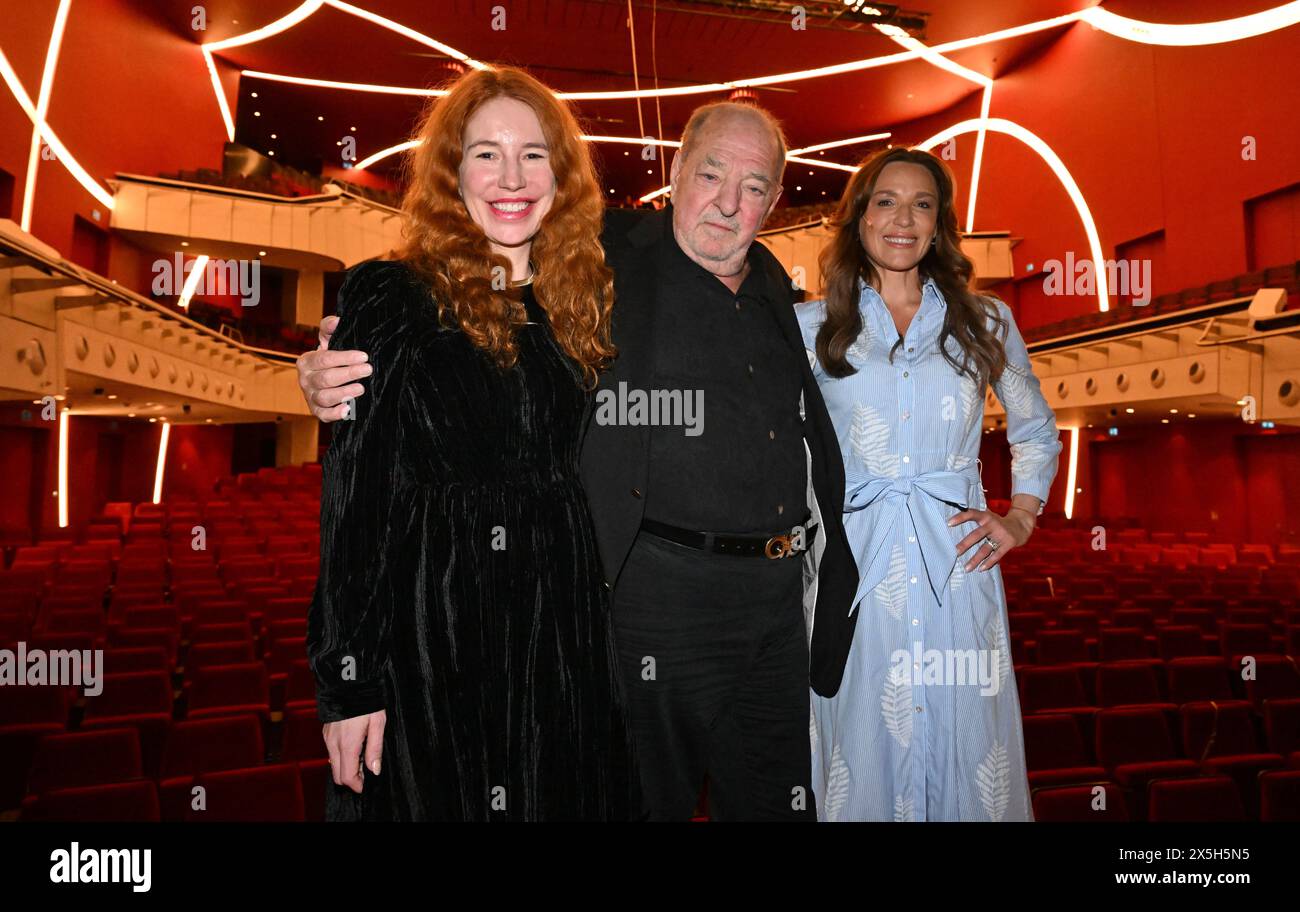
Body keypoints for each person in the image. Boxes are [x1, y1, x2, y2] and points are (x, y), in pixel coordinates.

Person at [300, 101, 860, 821]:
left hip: (734, 609)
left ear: (773, 202)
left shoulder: (751, 286)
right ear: (674, 172)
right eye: (711, 173)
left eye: (753, 186)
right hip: (620, 603)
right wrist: (321, 371)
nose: (728, 202)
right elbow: (361, 486)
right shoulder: (613, 256)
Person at [305, 66, 639, 821]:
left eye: (533, 153)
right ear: (452, 171)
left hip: (559, 619)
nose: (511, 176)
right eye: (486, 153)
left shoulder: (577, 295)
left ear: (563, 172)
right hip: (438, 619)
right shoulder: (391, 295)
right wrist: (349, 681)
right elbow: (354, 501)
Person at [796, 147, 1061, 821]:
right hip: (855, 574)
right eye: (885, 201)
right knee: (859, 739)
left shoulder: (987, 319)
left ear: (941, 223)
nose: (903, 219)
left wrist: (1022, 516)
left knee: (965, 739)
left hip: (958, 567)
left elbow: (1034, 429)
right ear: (858, 218)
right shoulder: (810, 326)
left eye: (922, 204)